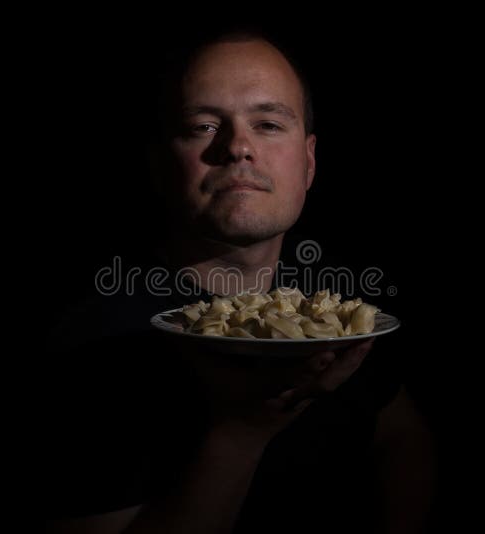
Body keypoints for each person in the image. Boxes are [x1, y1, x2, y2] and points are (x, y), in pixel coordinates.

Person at [33, 30, 435, 534]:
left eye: (268, 124)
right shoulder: (93, 337)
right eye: (202, 126)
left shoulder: (332, 297)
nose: (238, 147)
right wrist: (243, 432)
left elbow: (402, 437)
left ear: (309, 163)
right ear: (158, 165)